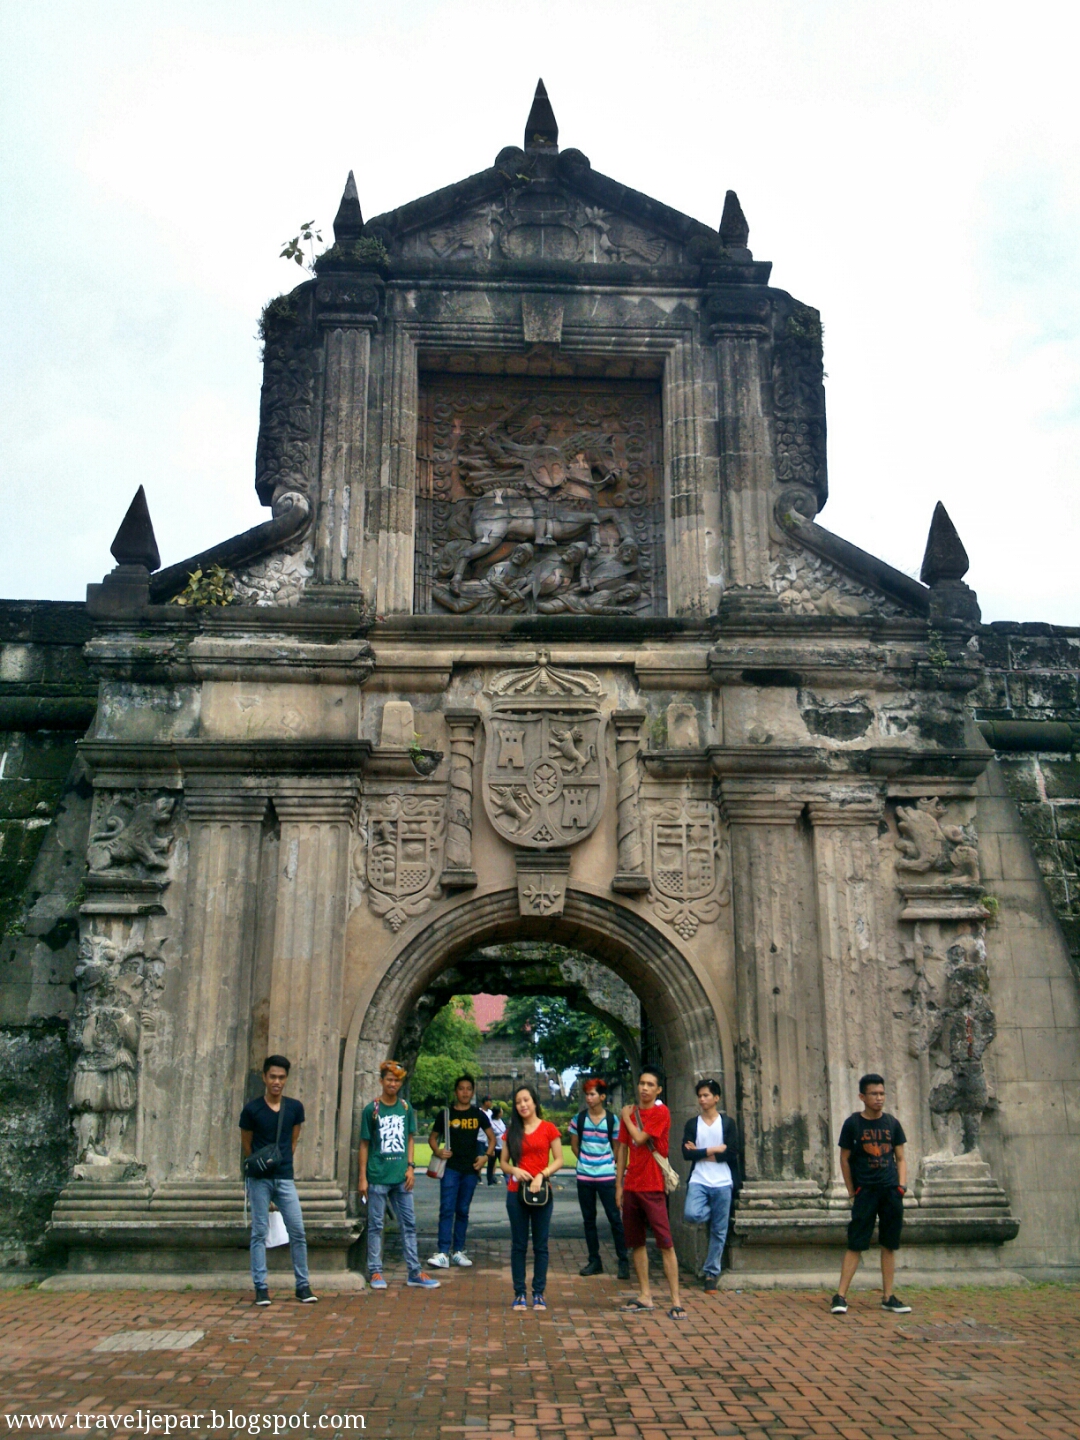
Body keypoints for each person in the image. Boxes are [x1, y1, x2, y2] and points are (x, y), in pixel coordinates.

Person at [830, 1073, 912, 1315]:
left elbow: (901, 1157)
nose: (879, 1098)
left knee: (889, 1244)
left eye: (882, 1093)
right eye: (874, 1094)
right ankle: (840, 1296)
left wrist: (901, 1187)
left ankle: (888, 1297)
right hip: (865, 1191)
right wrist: (851, 1191)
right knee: (856, 1242)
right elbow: (844, 1159)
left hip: (890, 1191)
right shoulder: (853, 1124)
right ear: (862, 1097)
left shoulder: (892, 1123)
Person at [239, 1055, 317, 1306]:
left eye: (281, 1077)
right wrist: (260, 1166)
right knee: (259, 1232)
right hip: (259, 1179)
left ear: (286, 1079)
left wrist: (280, 1163)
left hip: (284, 1177)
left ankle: (302, 1285)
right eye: (272, 1076)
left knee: (298, 1230)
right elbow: (247, 1144)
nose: (277, 1081)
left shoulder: (294, 1108)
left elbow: (293, 1141)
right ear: (264, 1077)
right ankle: (261, 1287)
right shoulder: (252, 1110)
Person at [358, 1060, 440, 1291]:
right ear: (381, 1081)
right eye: (389, 1079)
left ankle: (414, 1271)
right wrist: (363, 1177)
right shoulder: (372, 1110)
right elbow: (364, 1144)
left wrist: (411, 1167)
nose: (392, 1084)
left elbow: (410, 1138)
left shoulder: (405, 1108)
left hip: (401, 1176)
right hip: (378, 1175)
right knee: (376, 1225)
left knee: (409, 1224)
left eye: (396, 1080)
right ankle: (375, 1271)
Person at [616, 1068, 684, 1319]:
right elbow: (623, 1149)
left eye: (650, 1084)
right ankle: (645, 1295)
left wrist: (626, 1118)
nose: (644, 1088)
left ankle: (676, 1300)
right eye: (642, 1083)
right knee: (636, 1242)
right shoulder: (632, 1112)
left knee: (665, 1242)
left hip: (653, 1185)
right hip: (632, 1185)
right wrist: (619, 1185)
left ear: (658, 1089)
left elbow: (641, 1138)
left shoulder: (660, 1112)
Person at [501, 1083, 563, 1310]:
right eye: (518, 1102)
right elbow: (503, 1162)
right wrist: (514, 1170)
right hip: (516, 1193)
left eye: (526, 1100)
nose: (522, 1105)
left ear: (535, 1102)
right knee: (519, 1245)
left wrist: (541, 1175)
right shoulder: (512, 1132)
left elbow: (559, 1159)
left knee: (540, 1245)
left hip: (541, 1192)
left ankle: (538, 1293)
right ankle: (519, 1293)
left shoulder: (548, 1128)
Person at [427, 1074, 495, 1268]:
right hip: (450, 1168)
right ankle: (443, 1251)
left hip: (470, 1169)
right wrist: (438, 1151)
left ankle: (458, 1250)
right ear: (456, 1092)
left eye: (468, 1089)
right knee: (447, 1209)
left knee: (463, 1210)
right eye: (461, 1089)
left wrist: (485, 1157)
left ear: (472, 1092)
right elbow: (433, 1138)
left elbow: (492, 1139)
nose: (465, 1092)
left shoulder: (478, 1115)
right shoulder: (446, 1114)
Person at [681, 1079, 741, 1292]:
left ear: (716, 1098)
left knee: (719, 1231)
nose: (702, 1099)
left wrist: (700, 1152)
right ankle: (714, 1215)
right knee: (691, 1214)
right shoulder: (692, 1124)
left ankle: (711, 1273)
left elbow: (732, 1152)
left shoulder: (727, 1123)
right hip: (699, 1179)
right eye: (700, 1096)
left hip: (723, 1181)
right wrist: (714, 1149)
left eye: (706, 1095)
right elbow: (686, 1153)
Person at [568, 1077, 630, 1280]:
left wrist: (609, 1164)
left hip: (606, 1176)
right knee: (589, 1219)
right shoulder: (579, 1119)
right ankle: (594, 1260)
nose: (589, 1098)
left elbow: (617, 1147)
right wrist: (585, 1161)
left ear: (602, 1097)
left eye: (592, 1094)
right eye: (587, 1094)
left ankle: (623, 1261)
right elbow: (574, 1144)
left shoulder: (612, 1120)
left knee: (614, 1218)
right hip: (585, 1176)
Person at [487, 1104, 506, 1185]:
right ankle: (490, 1181)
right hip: (495, 1147)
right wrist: (491, 1149)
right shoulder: (491, 1123)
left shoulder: (501, 1121)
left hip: (502, 1146)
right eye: (501, 1111)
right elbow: (490, 1136)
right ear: (498, 1113)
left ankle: (508, 1179)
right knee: (491, 1164)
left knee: (504, 1163)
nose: (502, 1112)